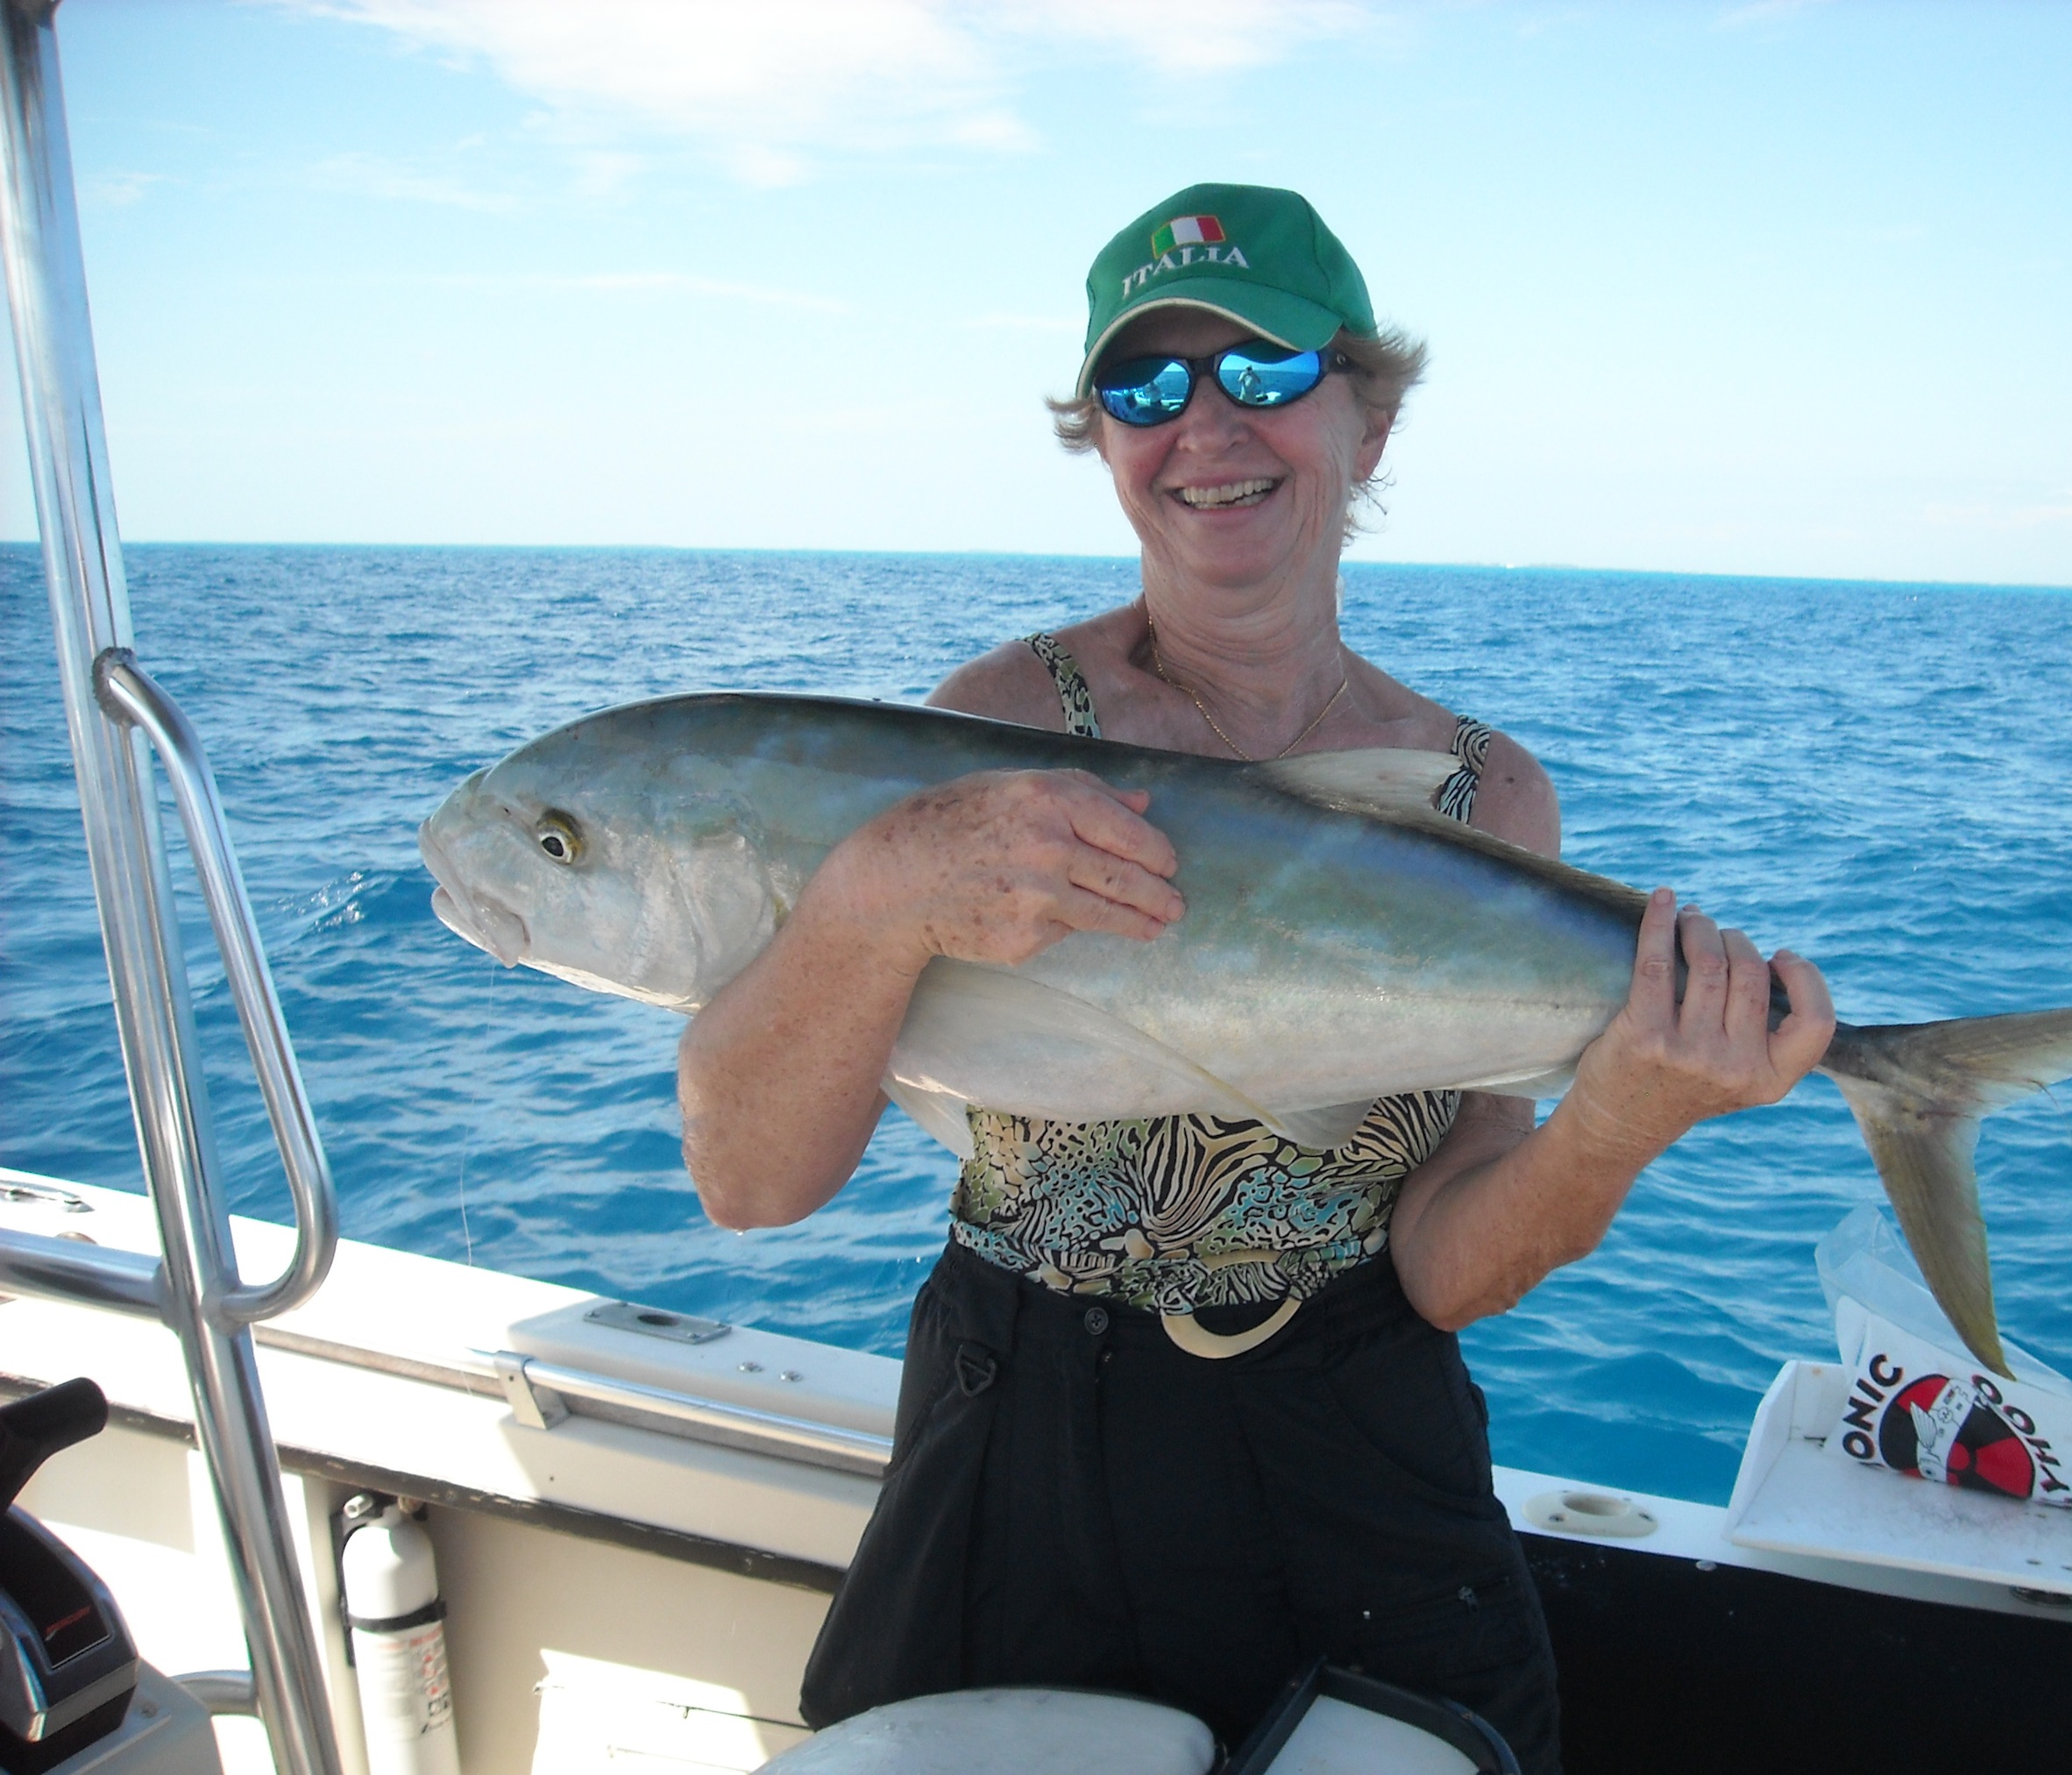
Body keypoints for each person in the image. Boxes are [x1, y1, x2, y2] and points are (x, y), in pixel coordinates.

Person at [676, 182, 1834, 1771]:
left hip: (1350, 1426)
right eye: (1147, 389)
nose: (1206, 425)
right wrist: (869, 900)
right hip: (1020, 1414)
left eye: (1268, 373)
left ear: (1370, 418)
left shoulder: (1485, 795)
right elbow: (748, 1182)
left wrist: (1615, 1120)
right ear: (1103, 442)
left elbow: (1446, 1266)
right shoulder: (994, 725)